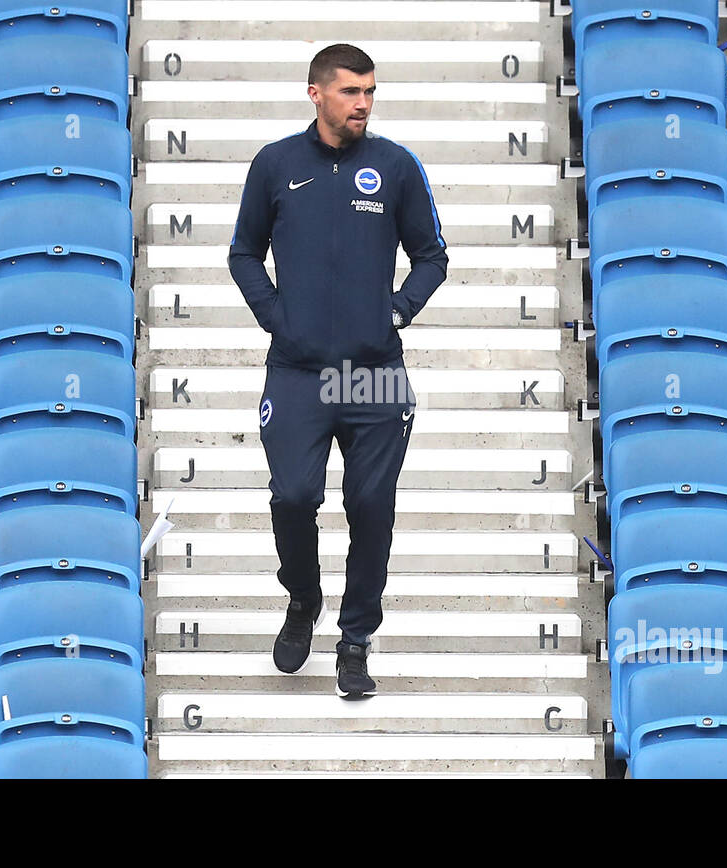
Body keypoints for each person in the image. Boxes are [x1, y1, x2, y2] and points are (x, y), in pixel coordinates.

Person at [227, 43, 449, 699]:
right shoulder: (275, 165)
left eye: (371, 92)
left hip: (374, 373)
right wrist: (275, 315)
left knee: (371, 506)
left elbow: (432, 255)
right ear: (316, 93)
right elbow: (243, 253)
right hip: (297, 371)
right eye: (351, 91)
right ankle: (303, 599)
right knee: (293, 496)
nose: (363, 104)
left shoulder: (396, 167)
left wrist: (399, 310)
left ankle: (355, 643)